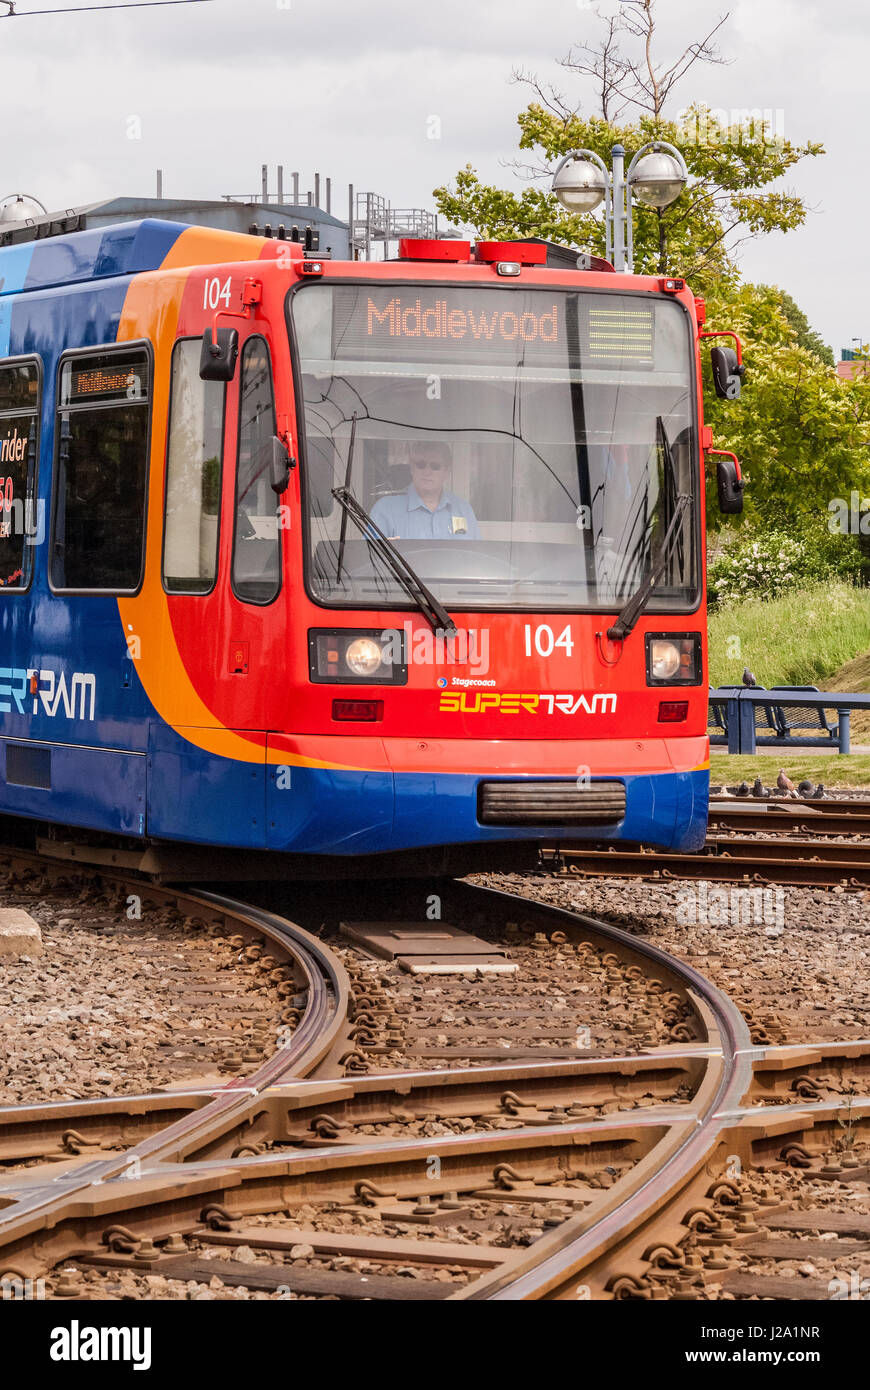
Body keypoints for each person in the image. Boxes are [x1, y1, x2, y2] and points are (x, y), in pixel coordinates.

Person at [370, 441, 479, 540]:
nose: (427, 471)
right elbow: (369, 556)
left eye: (435, 466)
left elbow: (476, 556)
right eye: (421, 465)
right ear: (412, 468)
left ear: (446, 472)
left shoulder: (464, 509)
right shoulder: (385, 509)